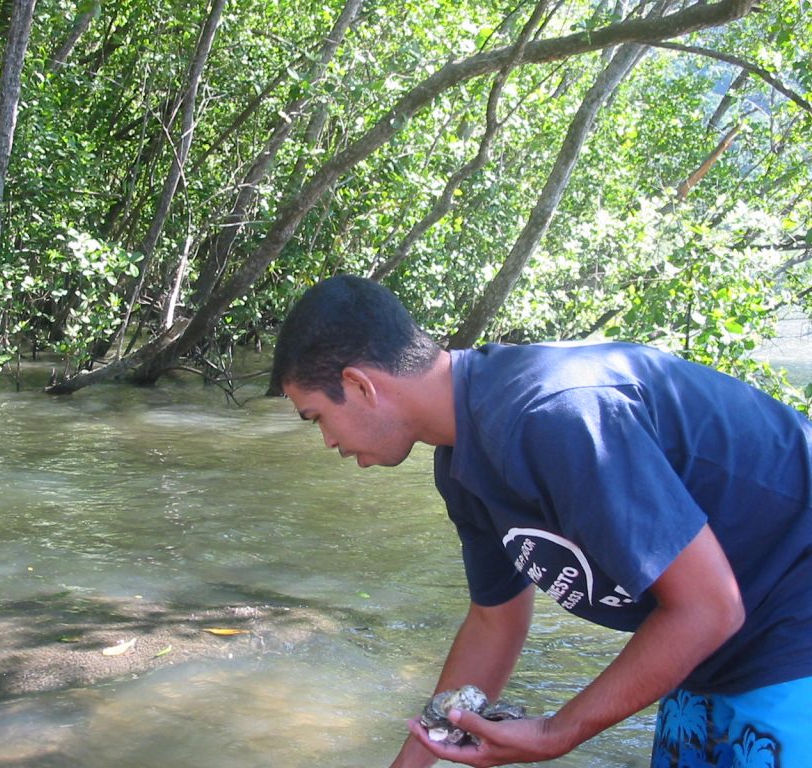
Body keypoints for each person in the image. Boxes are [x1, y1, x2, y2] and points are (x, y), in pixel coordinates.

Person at [269, 274, 812, 768]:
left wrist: (557, 733)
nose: (329, 442)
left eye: (318, 418)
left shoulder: (554, 415)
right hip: (712, 657)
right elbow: (495, 623)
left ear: (360, 385)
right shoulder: (460, 465)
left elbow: (710, 606)